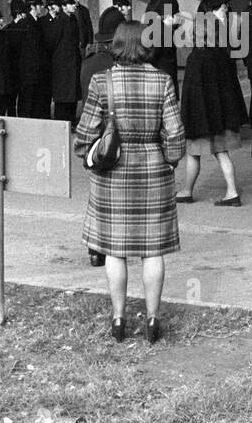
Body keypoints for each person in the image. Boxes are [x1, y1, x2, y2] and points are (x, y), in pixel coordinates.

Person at [73, 21, 185, 344]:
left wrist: (87, 153)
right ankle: (152, 320)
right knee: (153, 250)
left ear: (117, 45)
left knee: (114, 250)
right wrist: (169, 158)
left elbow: (85, 133)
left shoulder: (101, 82)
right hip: (153, 169)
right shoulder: (163, 80)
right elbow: (176, 135)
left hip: (112, 174)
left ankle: (119, 319)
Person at [176, 0, 246, 206]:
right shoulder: (224, 53)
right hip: (220, 115)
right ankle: (231, 191)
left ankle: (187, 190)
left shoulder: (196, 58)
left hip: (201, 116)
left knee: (194, 152)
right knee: (221, 152)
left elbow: (190, 92)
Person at [48, 0, 82, 122]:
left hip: (72, 66)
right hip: (62, 68)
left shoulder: (73, 19)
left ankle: (72, 122)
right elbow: (52, 44)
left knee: (72, 100)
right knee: (62, 102)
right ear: (63, 6)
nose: (74, 5)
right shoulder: (59, 21)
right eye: (71, 3)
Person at [17, 0, 52, 119]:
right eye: (38, 5)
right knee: (28, 111)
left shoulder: (38, 23)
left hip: (39, 77)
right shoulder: (24, 25)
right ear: (32, 6)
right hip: (29, 78)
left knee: (39, 110)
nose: (41, 7)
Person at [144, 0, 180, 94]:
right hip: (165, 48)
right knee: (168, 87)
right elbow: (173, 22)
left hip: (151, 48)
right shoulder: (169, 0)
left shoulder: (151, 3)